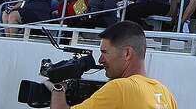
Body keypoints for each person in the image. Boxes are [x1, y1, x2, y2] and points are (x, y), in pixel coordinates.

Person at [47, 21, 177, 109]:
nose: (100, 60)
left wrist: (57, 88)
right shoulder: (165, 92)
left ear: (127, 53)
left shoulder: (120, 88)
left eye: (105, 52)